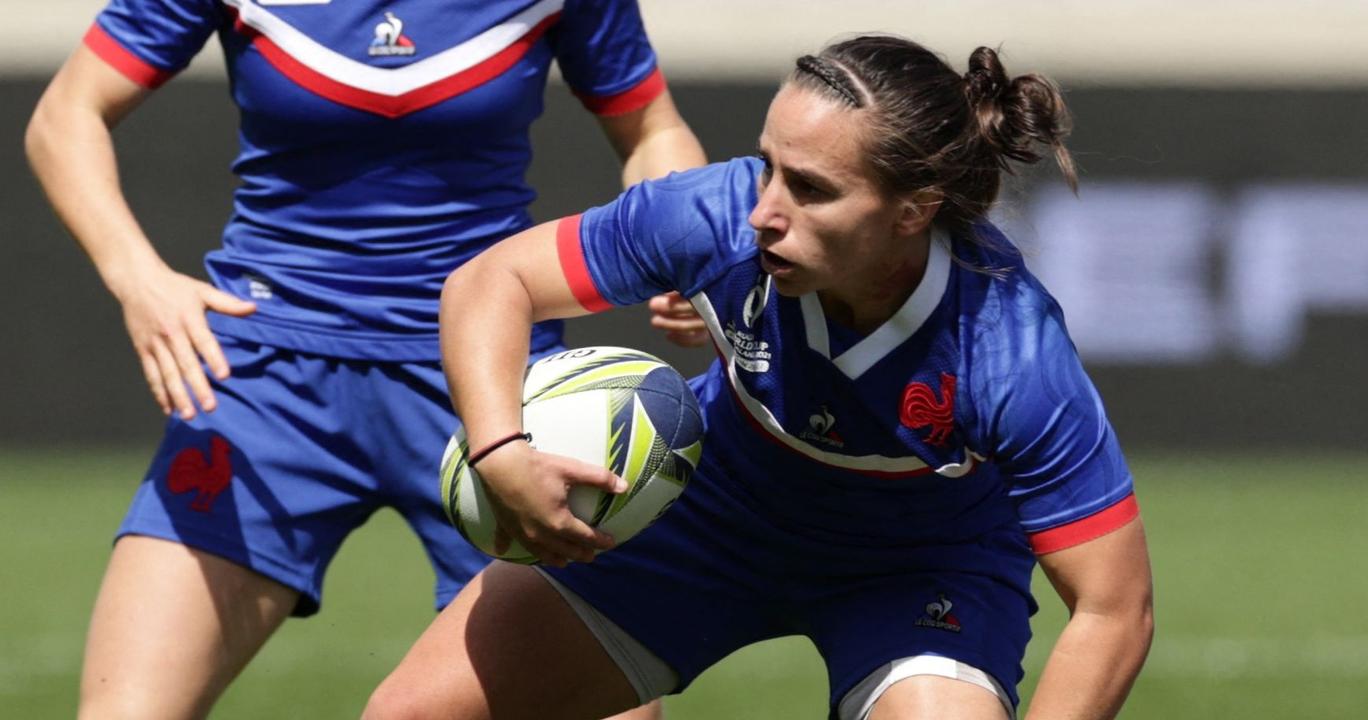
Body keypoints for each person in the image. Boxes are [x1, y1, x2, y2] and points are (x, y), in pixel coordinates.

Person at [366, 35, 1154, 720]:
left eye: (810, 188)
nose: (763, 211)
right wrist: (499, 448)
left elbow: (1114, 610)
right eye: (769, 166)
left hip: (921, 567)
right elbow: (491, 282)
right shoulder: (715, 215)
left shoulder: (1010, 348)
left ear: (913, 212)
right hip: (707, 514)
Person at [24, 1, 705, 718]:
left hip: (492, 384)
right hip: (264, 382)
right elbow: (65, 117)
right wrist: (138, 279)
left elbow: (652, 131)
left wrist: (686, 255)